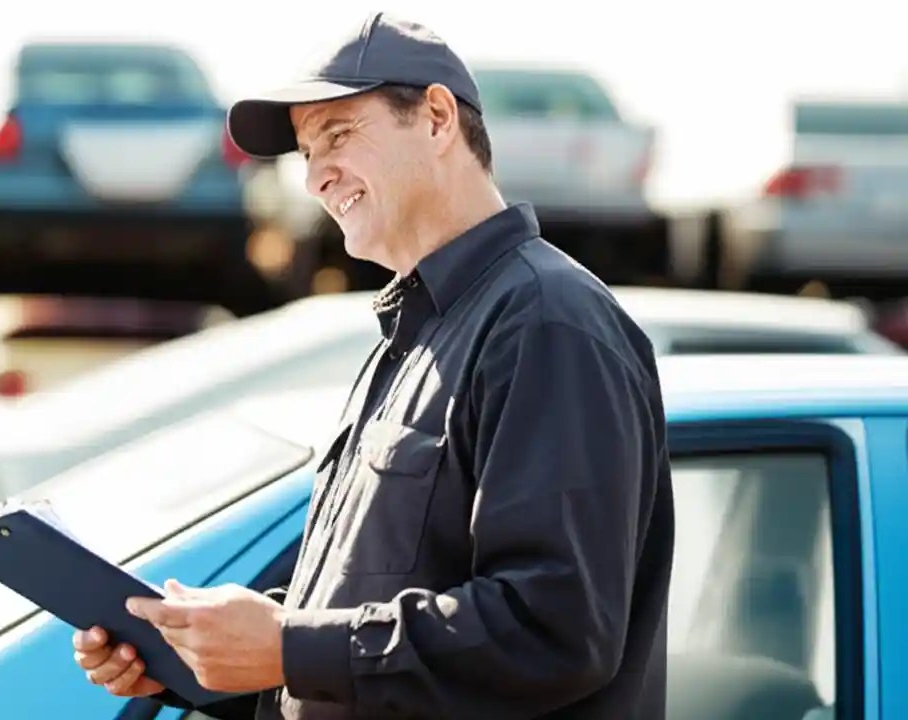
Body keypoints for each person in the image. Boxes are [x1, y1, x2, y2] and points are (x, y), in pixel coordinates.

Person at [73, 12, 674, 719]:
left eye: (338, 134)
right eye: (305, 152)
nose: (316, 178)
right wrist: (201, 661)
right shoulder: (416, 337)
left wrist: (290, 647)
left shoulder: (547, 323)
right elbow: (368, 650)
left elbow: (554, 629)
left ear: (438, 117)